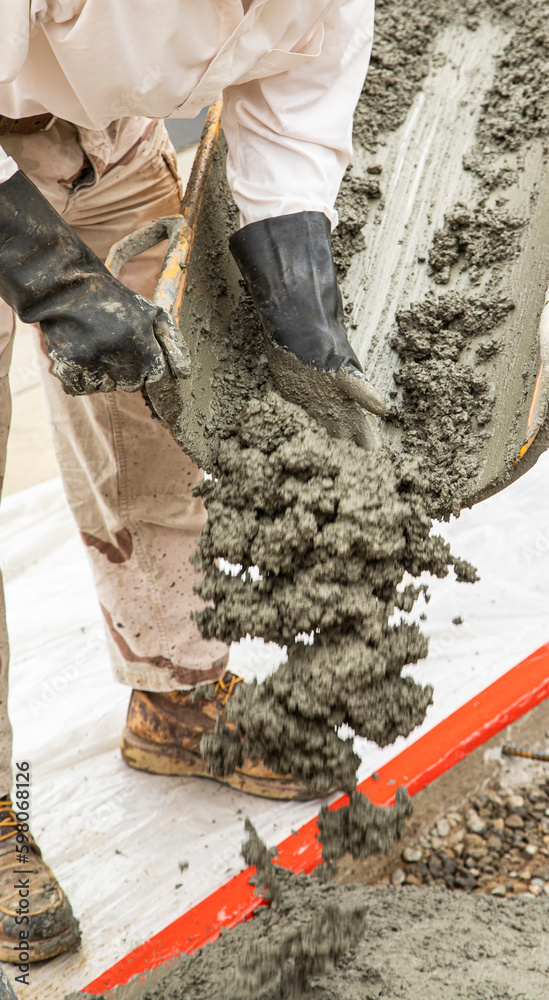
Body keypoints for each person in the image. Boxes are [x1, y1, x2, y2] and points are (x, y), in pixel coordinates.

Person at [0, 0, 375, 964]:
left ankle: (175, 691)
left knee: (164, 413)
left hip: (108, 146)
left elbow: (297, 92)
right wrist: (49, 279)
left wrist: (293, 260)